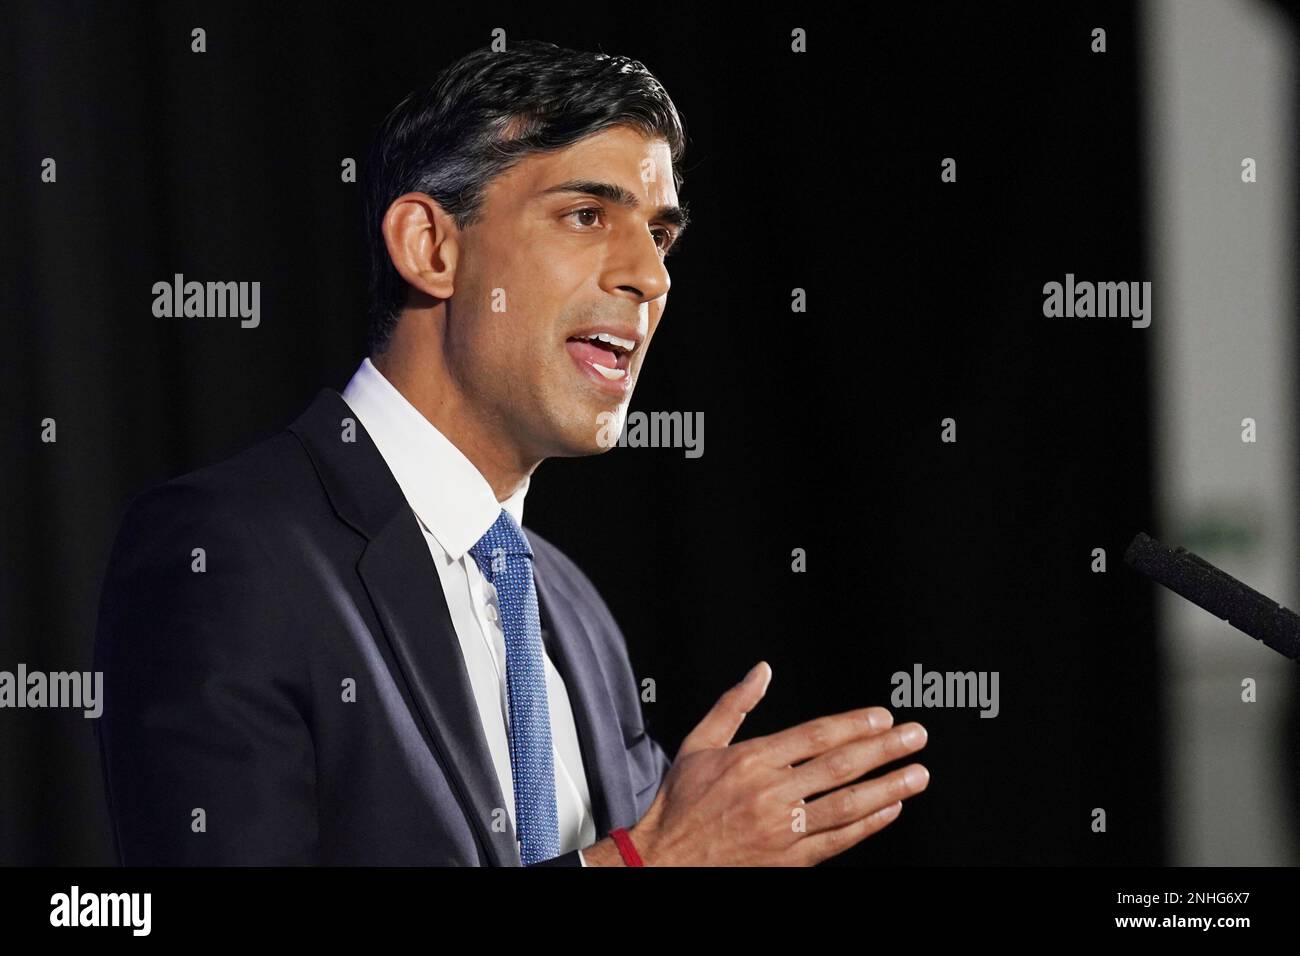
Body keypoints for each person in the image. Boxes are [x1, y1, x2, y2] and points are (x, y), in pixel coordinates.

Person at [93, 39, 930, 867]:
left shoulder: (569, 606)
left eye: (662, 236)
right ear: (432, 247)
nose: (651, 275)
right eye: (586, 215)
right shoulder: (225, 550)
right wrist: (648, 863)